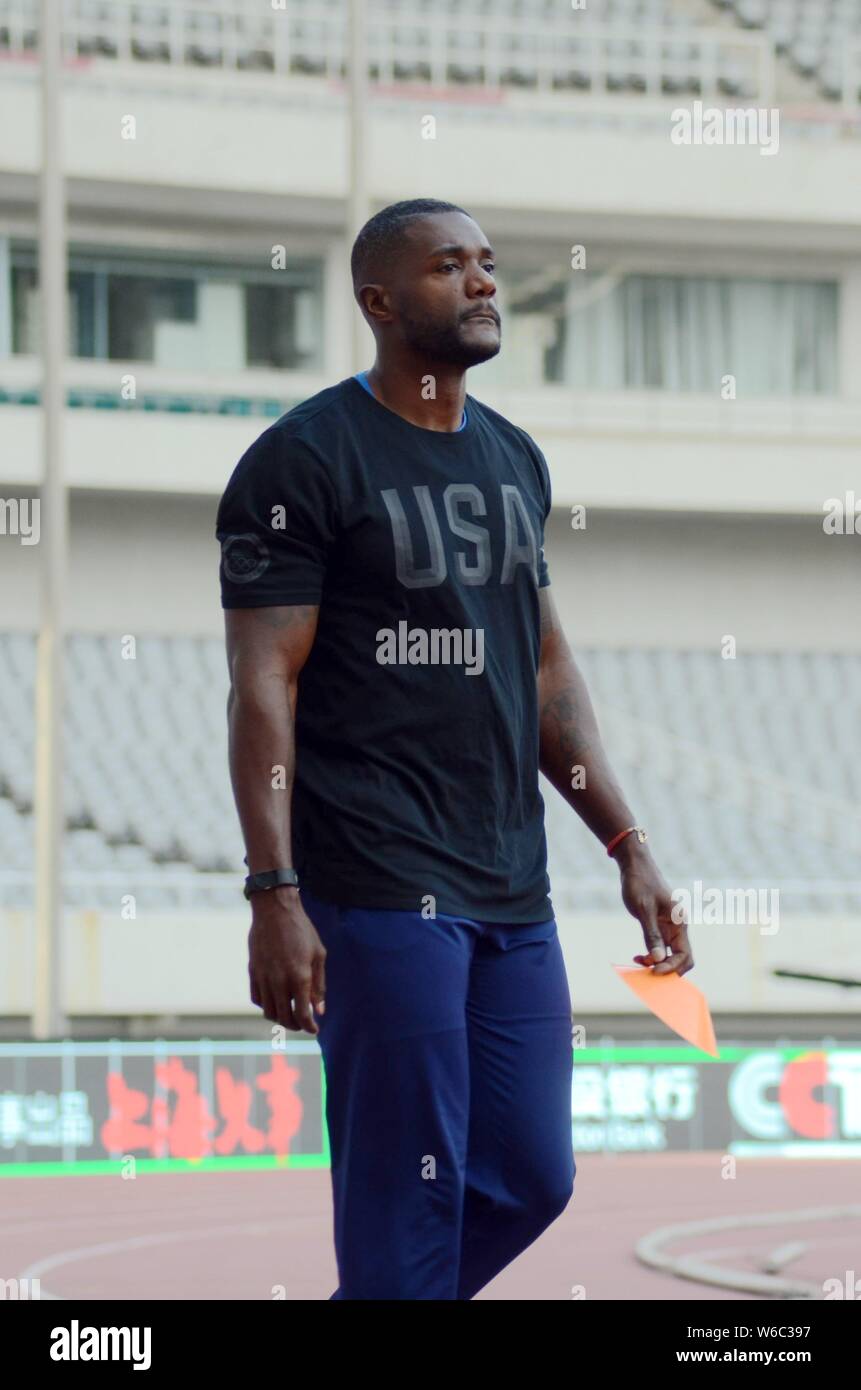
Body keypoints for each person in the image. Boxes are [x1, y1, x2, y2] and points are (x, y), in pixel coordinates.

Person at [216, 198, 693, 1300]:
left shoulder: (515, 457)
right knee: (406, 1190)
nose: (482, 282)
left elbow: (546, 672)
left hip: (510, 884)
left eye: (487, 263)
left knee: (532, 1174)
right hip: (376, 882)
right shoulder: (303, 460)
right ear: (379, 302)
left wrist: (627, 840)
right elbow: (261, 683)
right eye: (449, 266)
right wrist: (273, 889)